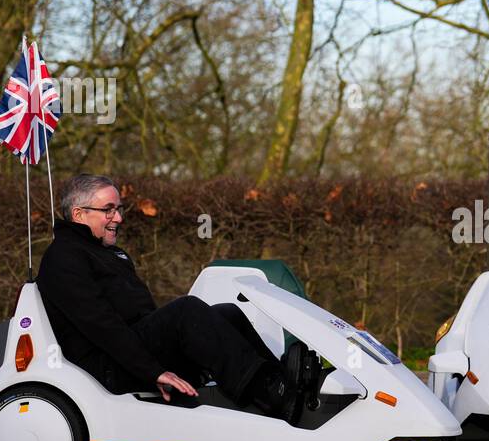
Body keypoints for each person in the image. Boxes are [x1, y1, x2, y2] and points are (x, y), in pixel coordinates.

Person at [36, 174, 297, 421]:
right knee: (186, 311)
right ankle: (271, 396)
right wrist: (153, 371)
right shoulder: (64, 258)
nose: (118, 217)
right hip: (109, 366)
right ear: (79, 214)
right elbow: (102, 326)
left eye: (119, 209)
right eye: (109, 209)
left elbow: (141, 318)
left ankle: (283, 381)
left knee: (226, 312)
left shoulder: (107, 253)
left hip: (131, 351)